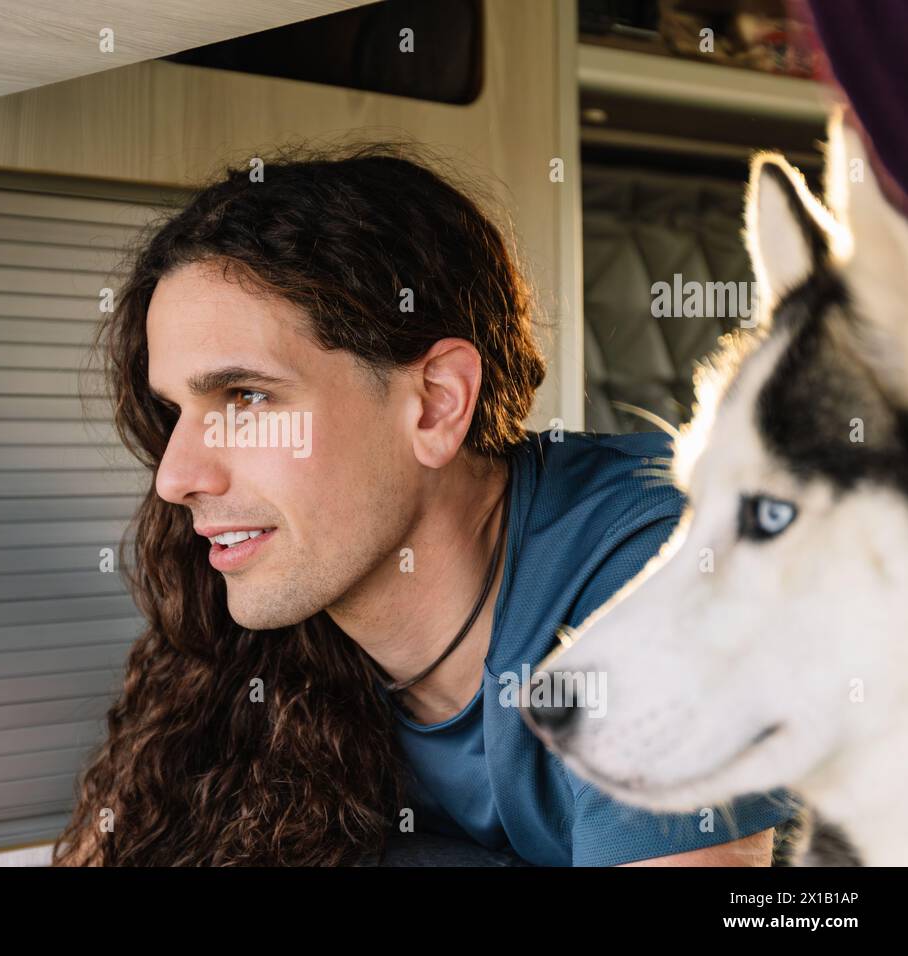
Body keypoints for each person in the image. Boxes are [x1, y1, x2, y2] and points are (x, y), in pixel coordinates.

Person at [51, 141, 793, 866]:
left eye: (245, 397)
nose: (175, 476)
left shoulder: (668, 564)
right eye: (176, 411)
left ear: (436, 404)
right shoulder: (270, 611)